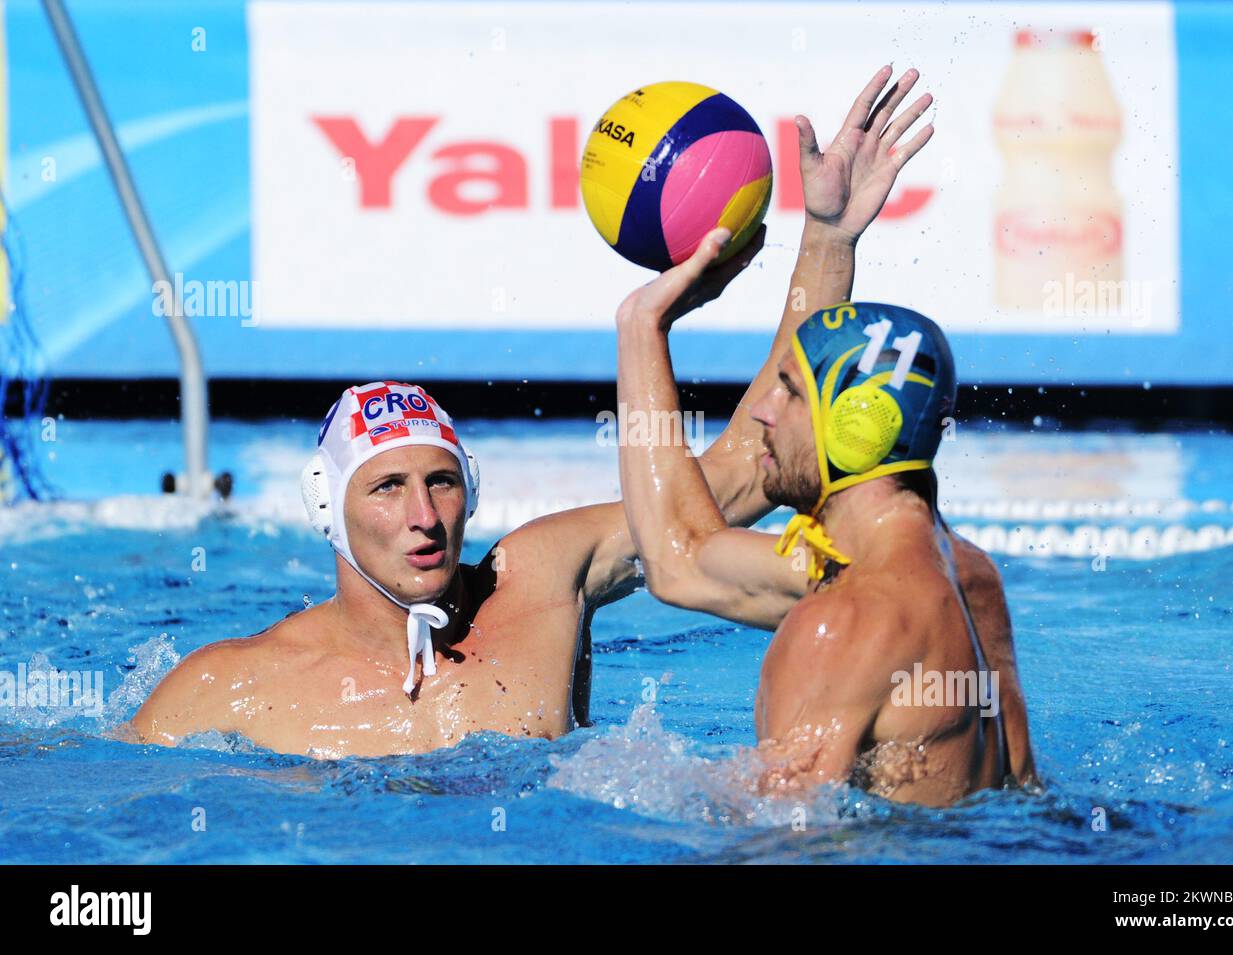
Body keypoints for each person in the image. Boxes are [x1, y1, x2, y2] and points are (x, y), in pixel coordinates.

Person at [130, 65, 936, 760]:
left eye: (442, 482)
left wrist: (828, 237)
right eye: (386, 488)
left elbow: (734, 478)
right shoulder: (230, 687)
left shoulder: (540, 579)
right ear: (325, 508)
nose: (424, 517)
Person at [611, 179, 1037, 806]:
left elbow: (783, 841)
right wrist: (641, 325)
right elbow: (682, 559)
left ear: (856, 427)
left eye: (790, 391)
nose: (761, 410)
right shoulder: (969, 577)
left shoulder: (839, 625)